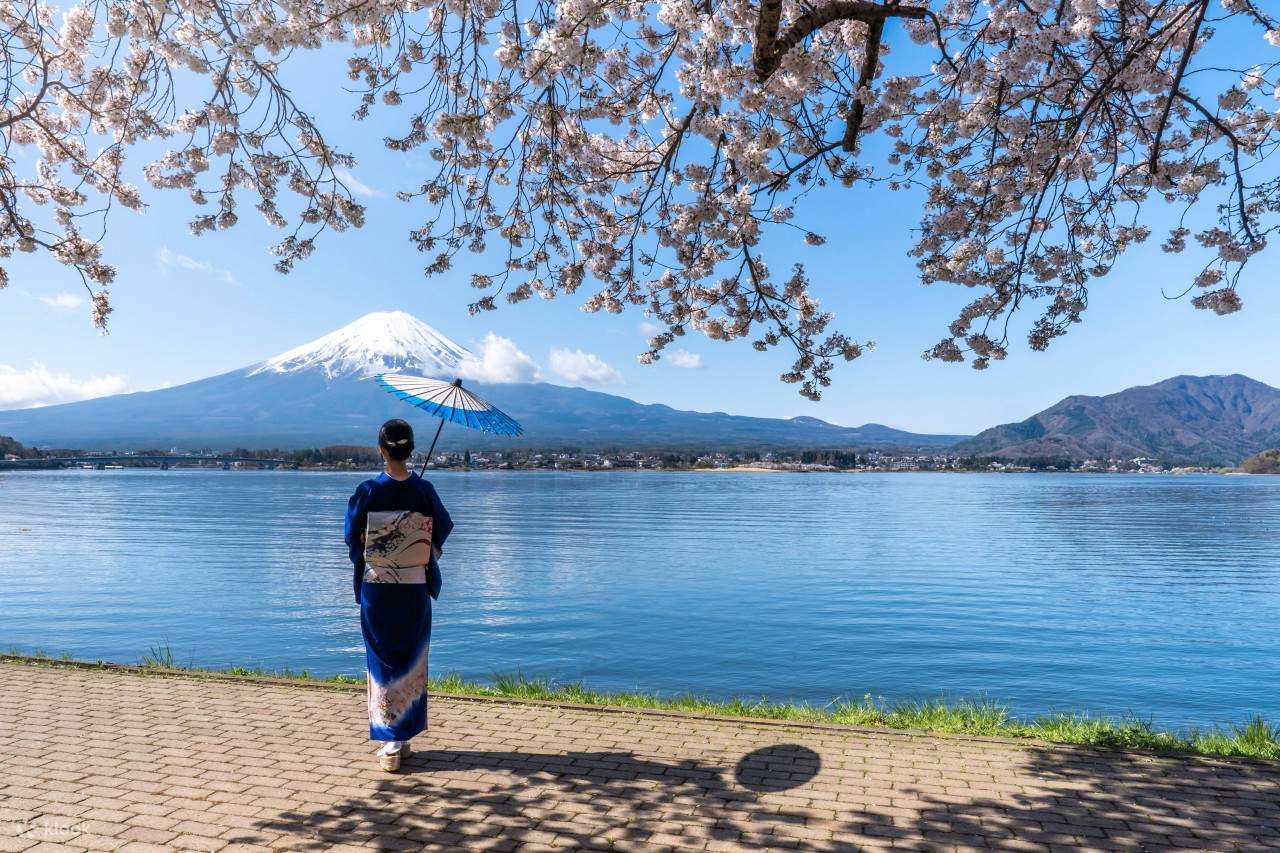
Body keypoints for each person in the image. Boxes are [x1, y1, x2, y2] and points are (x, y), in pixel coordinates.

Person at [344, 418, 453, 771]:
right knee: (411, 657)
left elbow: (352, 537)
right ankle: (401, 736)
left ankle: (391, 742)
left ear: (381, 449)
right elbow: (441, 531)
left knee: (382, 659)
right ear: (410, 451)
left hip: (378, 588)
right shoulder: (424, 490)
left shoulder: (368, 492)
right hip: (413, 588)